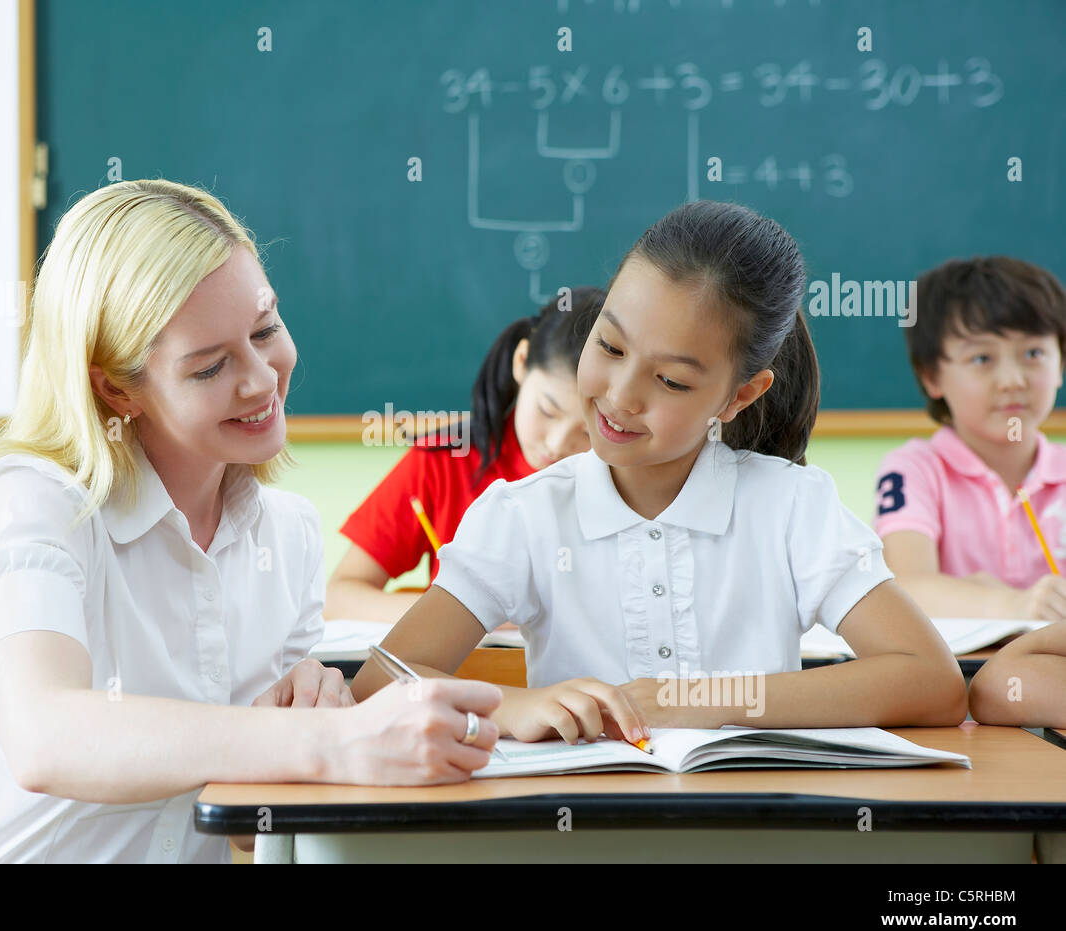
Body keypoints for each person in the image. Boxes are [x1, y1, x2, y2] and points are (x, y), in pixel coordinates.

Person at [0, 179, 499, 863]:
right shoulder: (36, 498)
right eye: (211, 366)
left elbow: (248, 824)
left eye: (266, 330)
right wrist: (334, 741)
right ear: (115, 388)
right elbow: (45, 735)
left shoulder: (286, 533)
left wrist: (301, 717)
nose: (261, 380)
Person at [351, 200, 968, 740]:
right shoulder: (523, 515)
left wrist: (699, 702)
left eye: (670, 380)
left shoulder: (789, 508)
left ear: (738, 397)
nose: (619, 396)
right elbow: (382, 681)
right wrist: (513, 707)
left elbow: (934, 683)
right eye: (609, 347)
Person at [327, 288, 604, 622]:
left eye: (588, 432)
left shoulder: (629, 481)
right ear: (521, 362)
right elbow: (338, 597)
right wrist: (460, 617)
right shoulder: (443, 460)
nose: (558, 444)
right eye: (547, 410)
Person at [874, 256, 1066, 618]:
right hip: (961, 673)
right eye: (982, 358)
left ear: (1060, 364)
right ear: (932, 376)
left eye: (1033, 353)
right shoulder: (913, 470)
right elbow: (904, 587)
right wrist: (1018, 604)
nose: (1012, 380)